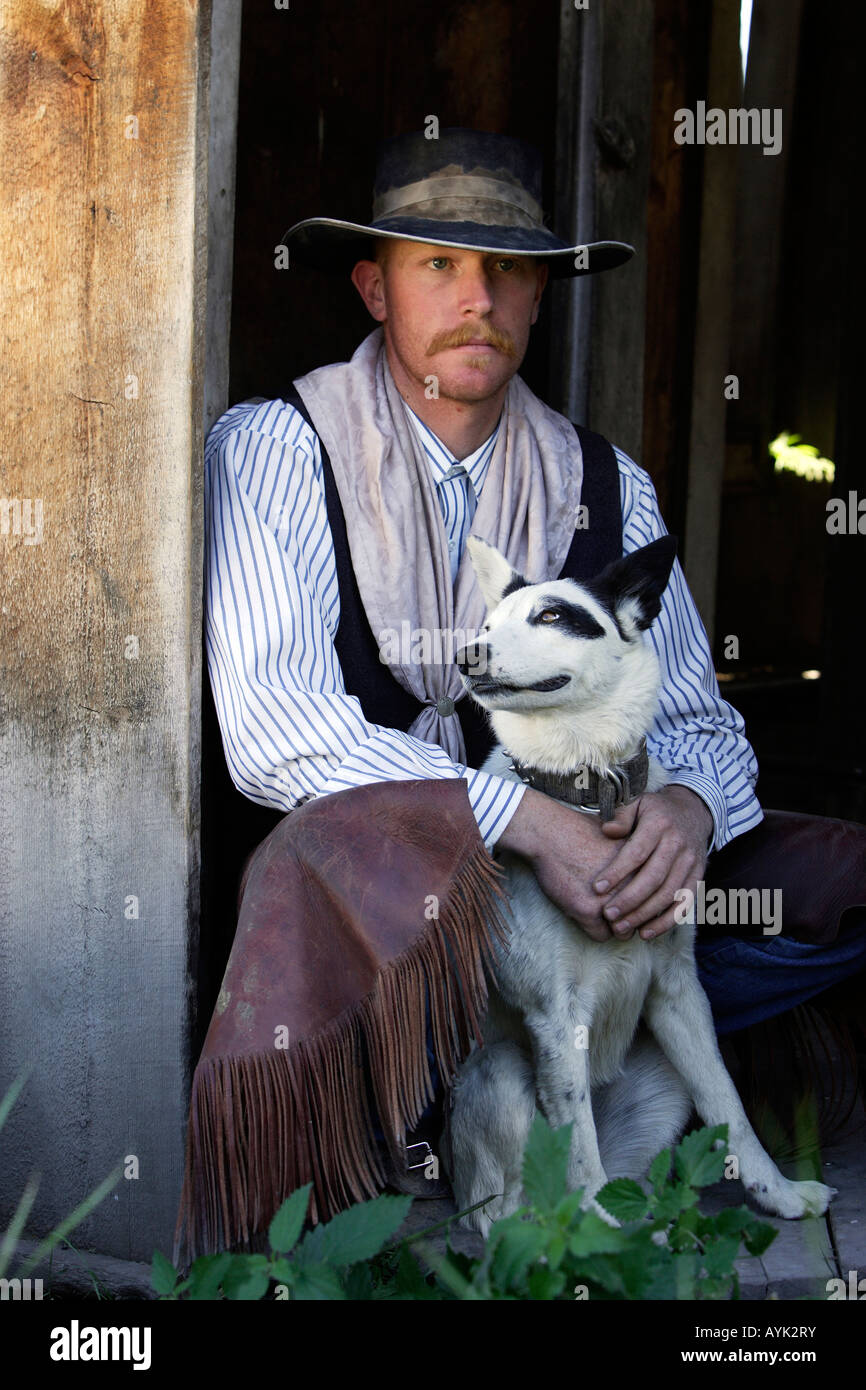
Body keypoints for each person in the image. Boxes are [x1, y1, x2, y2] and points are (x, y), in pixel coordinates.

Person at [177, 129, 866, 1259]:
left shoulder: (606, 485)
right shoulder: (278, 447)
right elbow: (272, 732)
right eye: (435, 265)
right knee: (308, 856)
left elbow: (697, 721)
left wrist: (683, 817)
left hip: (593, 928)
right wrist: (529, 822)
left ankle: (659, 1075)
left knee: (837, 872)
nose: (475, 297)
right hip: (386, 937)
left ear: (540, 294)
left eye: (507, 269)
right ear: (371, 284)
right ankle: (357, 1153)